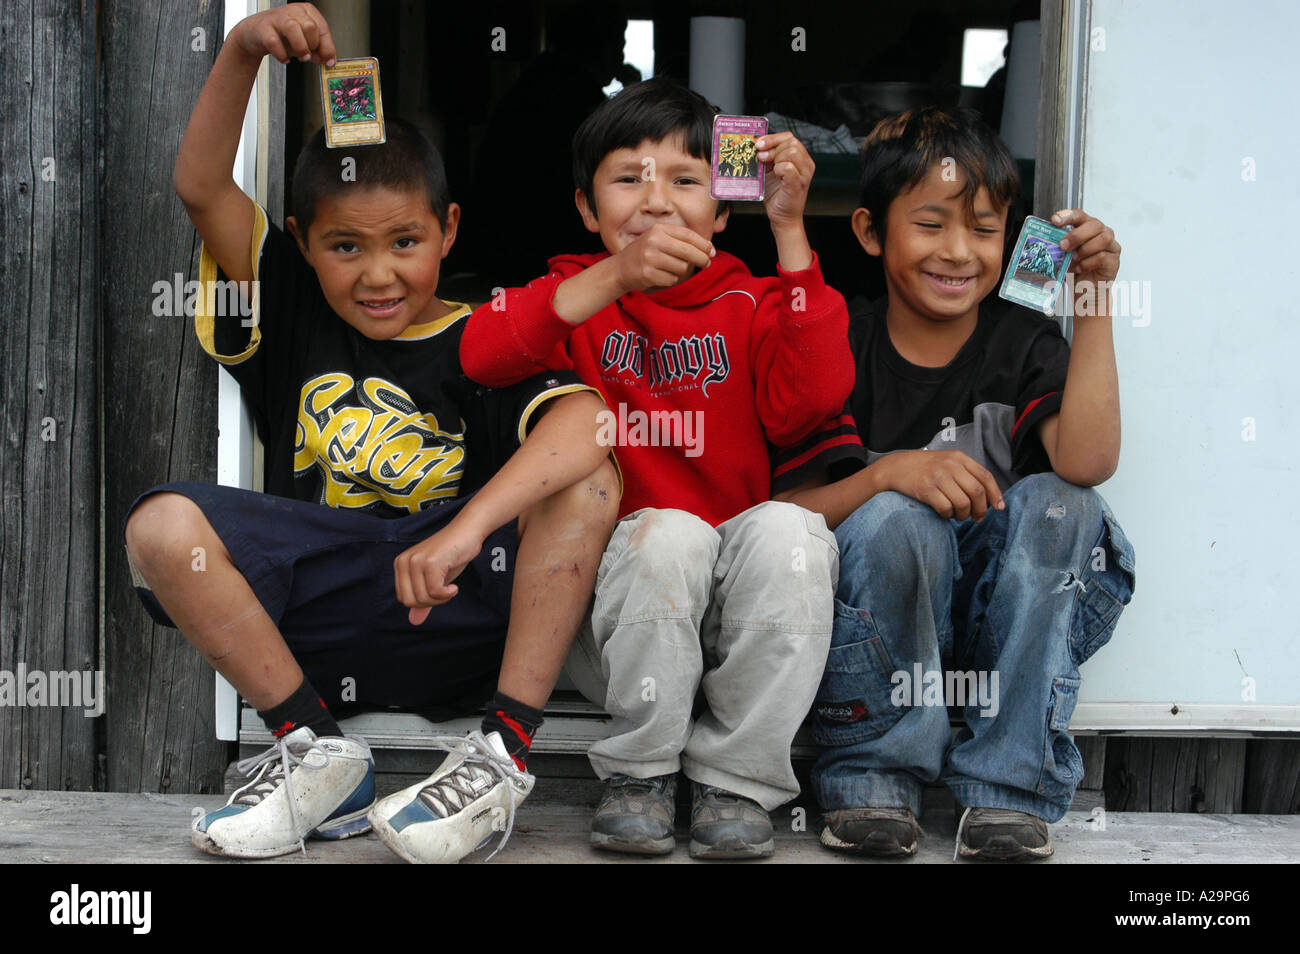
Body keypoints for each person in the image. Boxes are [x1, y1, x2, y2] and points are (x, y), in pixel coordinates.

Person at [122, 2, 619, 864]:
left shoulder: (481, 336)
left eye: (405, 241)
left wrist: (465, 531)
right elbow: (202, 186)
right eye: (345, 246)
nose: (379, 272)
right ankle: (316, 756)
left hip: (458, 615)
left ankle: (500, 753)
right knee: (158, 526)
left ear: (449, 231)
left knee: (589, 474)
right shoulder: (291, 312)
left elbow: (588, 424)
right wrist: (243, 49)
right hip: (315, 620)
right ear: (300, 246)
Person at [460, 77, 859, 858]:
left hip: (733, 625)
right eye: (626, 178)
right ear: (586, 208)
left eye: (685, 180)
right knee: (668, 534)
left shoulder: (750, 300)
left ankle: (736, 783)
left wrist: (788, 234)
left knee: (794, 531)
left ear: (722, 208)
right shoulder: (575, 295)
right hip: (612, 626)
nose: (656, 200)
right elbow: (481, 352)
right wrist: (612, 278)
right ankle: (638, 774)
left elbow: (813, 400)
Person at [783, 106, 1136, 860]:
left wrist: (1094, 298)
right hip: (878, 643)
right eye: (931, 224)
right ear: (871, 233)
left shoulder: (1023, 339)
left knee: (1062, 505)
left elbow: (1087, 463)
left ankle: (1008, 789)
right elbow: (782, 511)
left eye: (982, 229)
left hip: (999, 637)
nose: (958, 252)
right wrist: (888, 474)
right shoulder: (842, 343)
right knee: (893, 516)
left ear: (1010, 241)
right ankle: (876, 779)